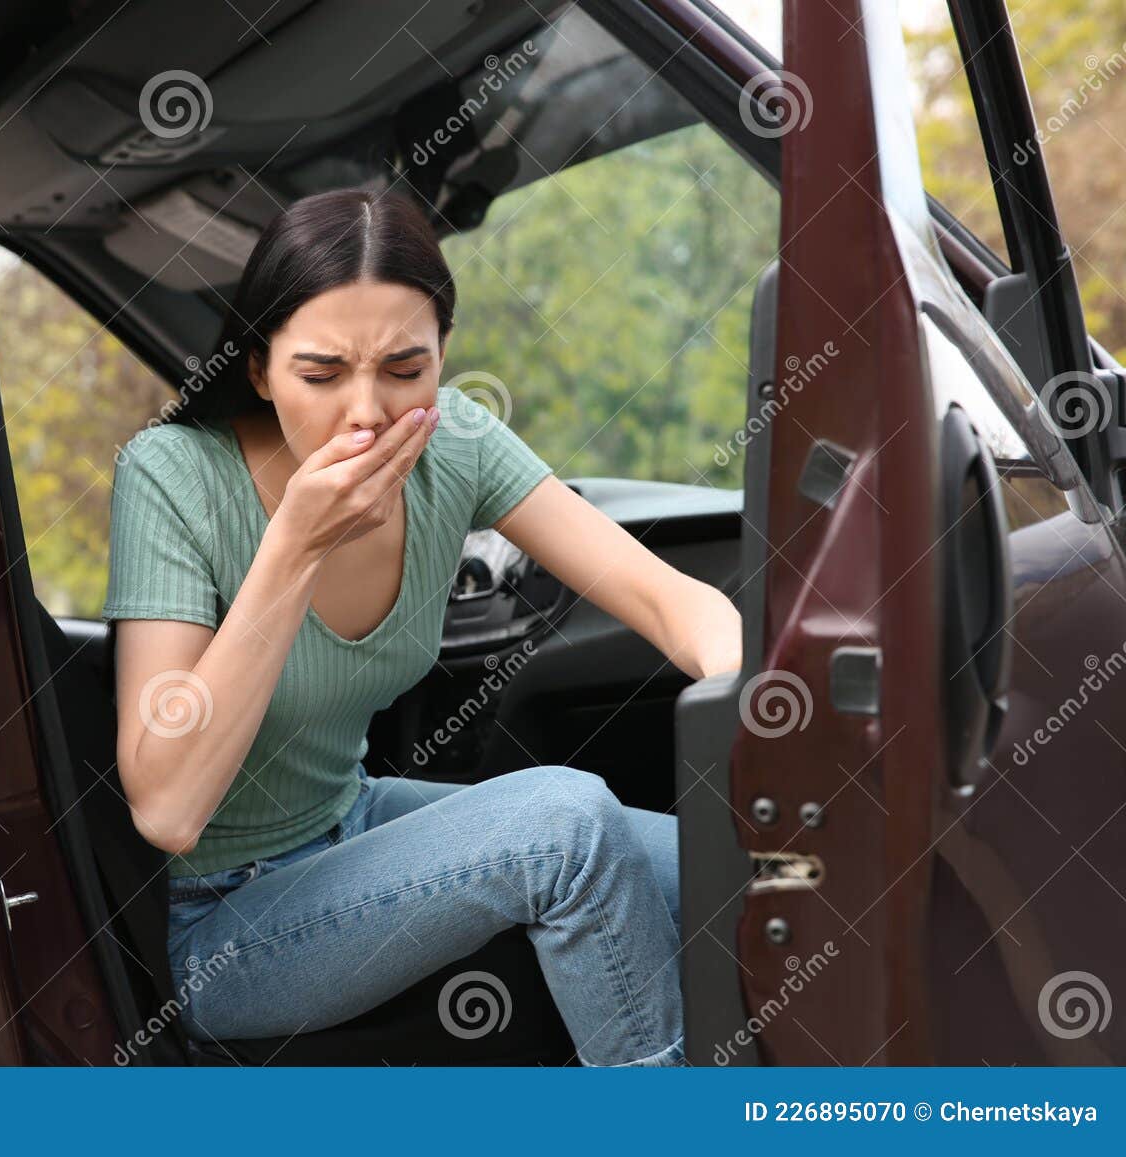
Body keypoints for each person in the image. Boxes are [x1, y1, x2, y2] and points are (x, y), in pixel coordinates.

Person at [100, 187, 742, 1065]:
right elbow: (168, 806)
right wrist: (293, 546)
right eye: (322, 375)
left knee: (743, 867)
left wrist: (765, 707)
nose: (367, 412)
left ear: (443, 356)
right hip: (221, 919)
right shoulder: (171, 477)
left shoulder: (455, 442)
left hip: (352, 821)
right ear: (258, 368)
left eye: (406, 369)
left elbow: (676, 604)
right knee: (566, 825)